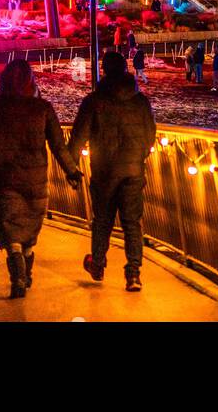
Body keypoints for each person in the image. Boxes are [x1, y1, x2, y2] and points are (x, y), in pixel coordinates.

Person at [0, 60, 83, 298]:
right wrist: (72, 171)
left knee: (10, 226)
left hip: (4, 175)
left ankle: (17, 272)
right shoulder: (43, 108)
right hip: (35, 177)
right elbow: (58, 145)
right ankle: (26, 271)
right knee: (28, 230)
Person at [69, 51, 157, 292]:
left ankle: (97, 264)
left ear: (104, 70)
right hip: (133, 170)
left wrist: (71, 168)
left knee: (102, 221)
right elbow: (151, 134)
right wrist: (140, 155)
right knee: (132, 223)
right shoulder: (140, 101)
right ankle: (133, 274)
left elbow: (78, 136)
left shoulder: (94, 101)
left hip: (104, 169)